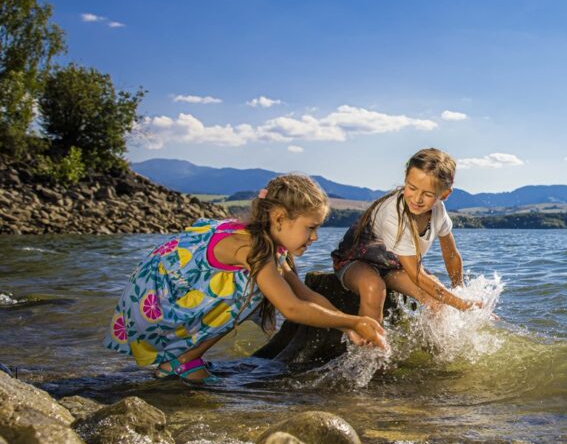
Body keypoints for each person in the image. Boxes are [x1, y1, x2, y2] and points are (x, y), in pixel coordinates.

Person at [104, 173, 388, 385]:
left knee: (265, 288)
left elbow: (304, 294)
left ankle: (182, 360)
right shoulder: (252, 248)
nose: (314, 237)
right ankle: (181, 362)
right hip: (155, 306)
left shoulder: (268, 245)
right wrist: (353, 320)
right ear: (279, 218)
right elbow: (291, 308)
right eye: (310, 227)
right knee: (258, 291)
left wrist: (347, 325)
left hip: (159, 301)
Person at [332, 147, 476, 320]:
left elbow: (451, 255)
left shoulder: (439, 212)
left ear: (444, 194)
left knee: (437, 300)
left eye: (428, 194)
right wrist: (462, 304)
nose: (417, 199)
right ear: (405, 179)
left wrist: (459, 289)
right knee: (373, 288)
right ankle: (371, 346)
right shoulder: (393, 214)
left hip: (394, 266)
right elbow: (416, 275)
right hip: (356, 261)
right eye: (412, 188)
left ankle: (436, 346)